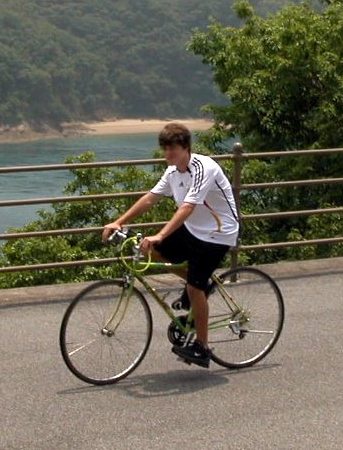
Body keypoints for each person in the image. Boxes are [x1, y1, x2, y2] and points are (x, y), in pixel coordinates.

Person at [101, 122, 239, 367]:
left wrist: (161, 234)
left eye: (172, 148)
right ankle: (199, 285)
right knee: (151, 252)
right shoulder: (173, 172)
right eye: (164, 148)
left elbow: (188, 207)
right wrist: (119, 222)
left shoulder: (203, 167)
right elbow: (150, 198)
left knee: (194, 288)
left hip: (218, 233)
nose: (167, 153)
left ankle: (202, 347)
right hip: (194, 229)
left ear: (186, 147)